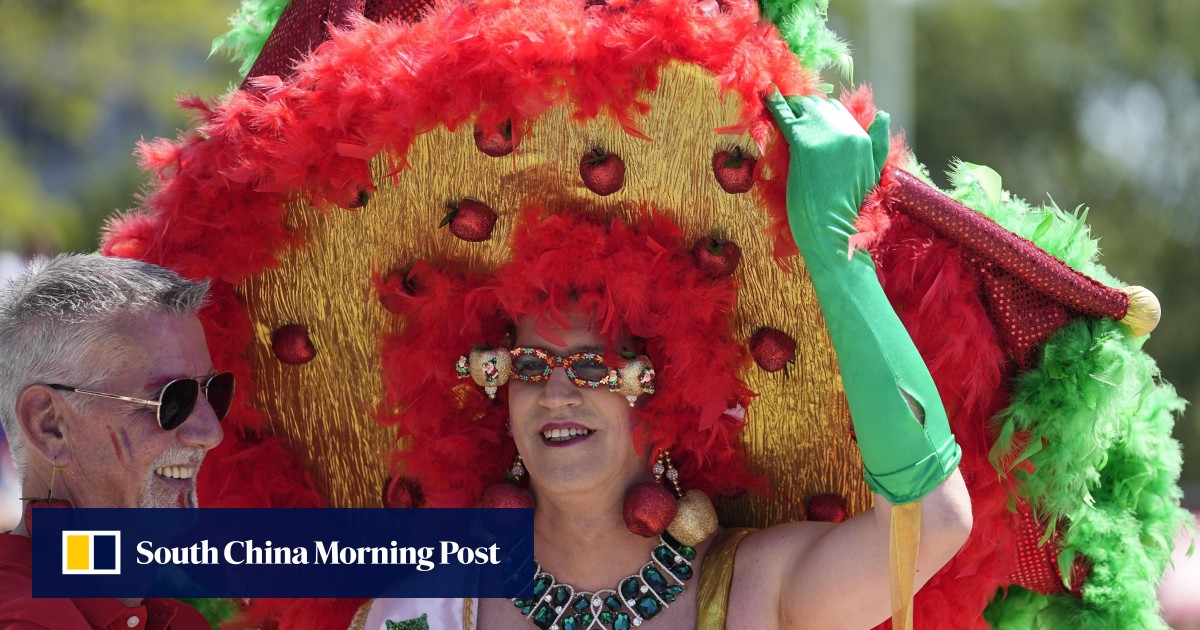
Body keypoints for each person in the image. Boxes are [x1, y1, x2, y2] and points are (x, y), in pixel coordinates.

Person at [355, 94, 973, 629]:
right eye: (530, 367)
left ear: (662, 392)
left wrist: (839, 261)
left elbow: (934, 524)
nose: (557, 393)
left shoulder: (756, 592)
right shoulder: (423, 605)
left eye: (593, 367)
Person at [0, 254, 230, 629]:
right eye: (171, 399)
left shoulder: (180, 619)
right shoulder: (23, 617)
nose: (210, 432)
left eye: (214, 391)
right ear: (50, 426)